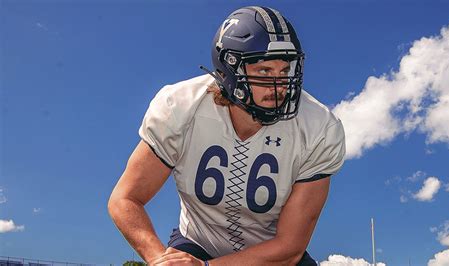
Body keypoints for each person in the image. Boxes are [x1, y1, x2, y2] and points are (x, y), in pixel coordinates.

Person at [108, 6, 345, 266]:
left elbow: (290, 248)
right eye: (265, 71)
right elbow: (125, 198)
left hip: (270, 257)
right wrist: (160, 259)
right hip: (197, 244)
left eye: (284, 70)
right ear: (229, 70)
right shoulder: (181, 107)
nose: (280, 86)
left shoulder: (318, 128)